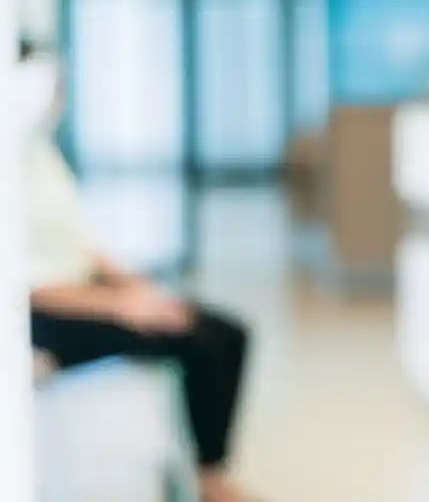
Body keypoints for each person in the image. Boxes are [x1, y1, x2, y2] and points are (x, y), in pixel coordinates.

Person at [18, 39, 256, 502]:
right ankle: (209, 483)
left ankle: (206, 472)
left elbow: (79, 241)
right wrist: (120, 307)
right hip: (46, 313)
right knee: (203, 341)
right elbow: (25, 285)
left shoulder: (39, 152)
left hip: (84, 290)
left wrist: (132, 285)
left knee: (226, 332)